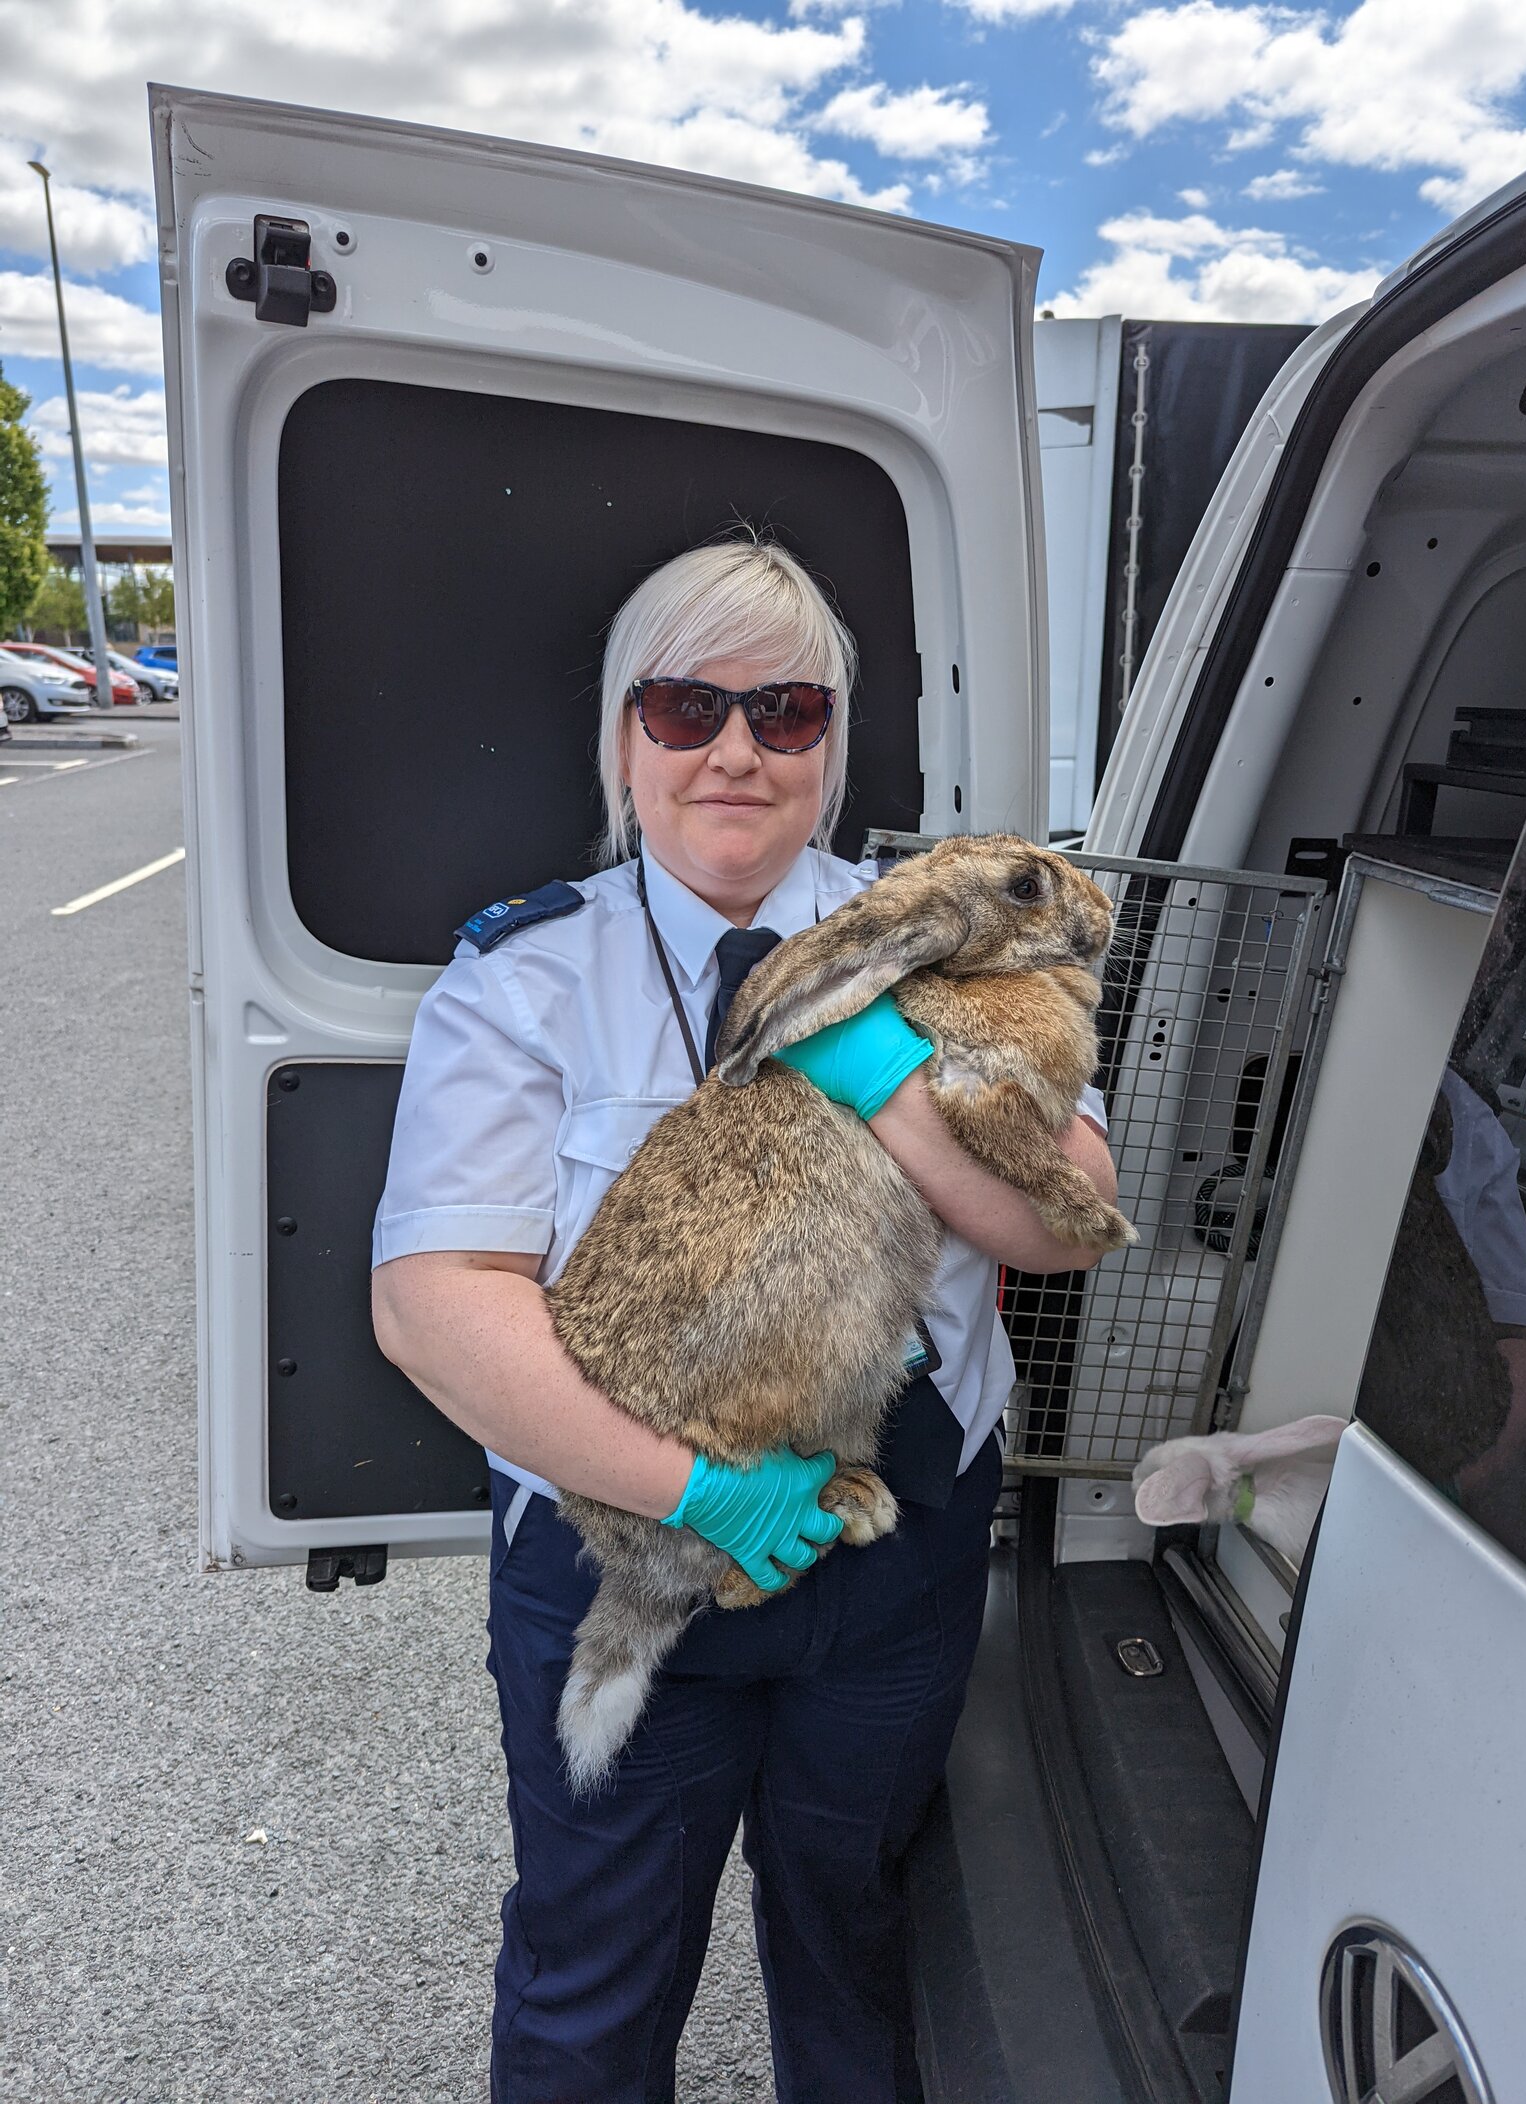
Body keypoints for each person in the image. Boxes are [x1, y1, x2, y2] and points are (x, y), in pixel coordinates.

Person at [370, 537, 1118, 2102]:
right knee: (597, 1966)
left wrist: (873, 1069)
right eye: (684, 705)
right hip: (637, 1538)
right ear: (622, 733)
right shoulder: (528, 977)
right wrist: (693, 1493)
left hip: (899, 1546)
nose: (732, 751)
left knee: (856, 1935)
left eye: (784, 712)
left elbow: (1058, 1222)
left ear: (833, 743)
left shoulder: (941, 924)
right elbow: (437, 1305)